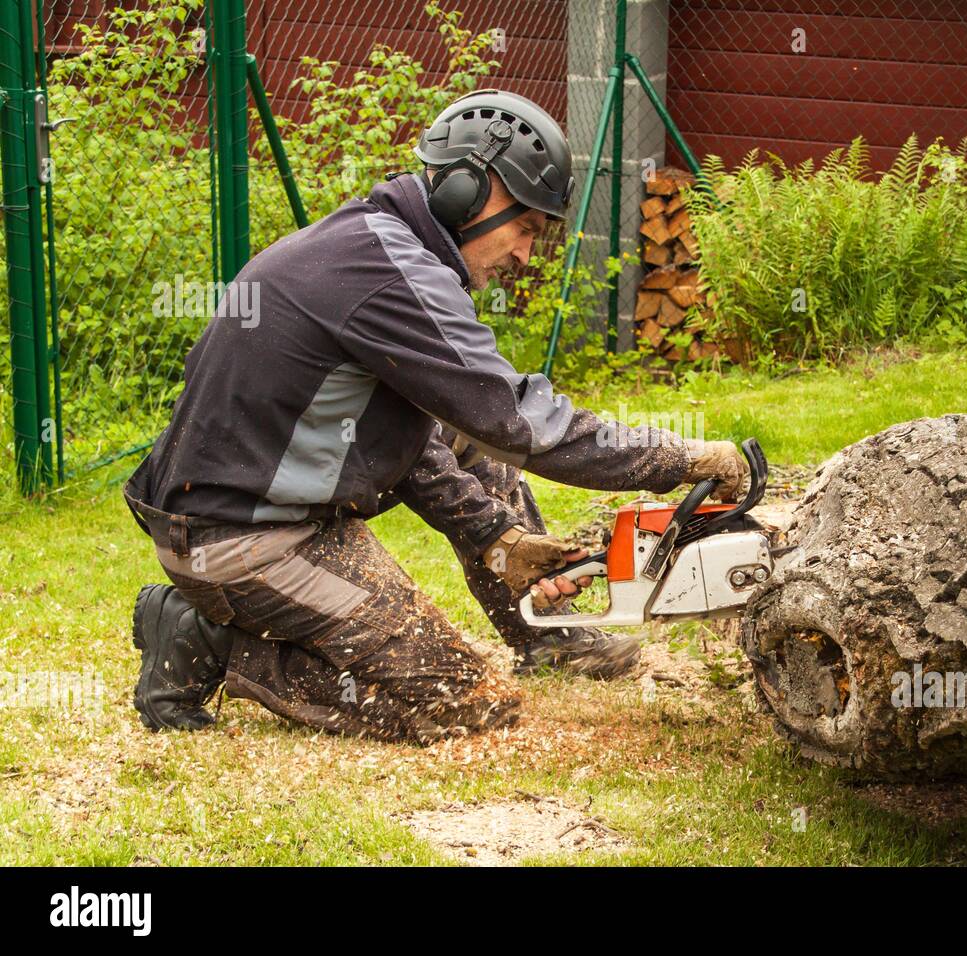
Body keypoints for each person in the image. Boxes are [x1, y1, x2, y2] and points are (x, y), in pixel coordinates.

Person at [123, 89, 748, 744]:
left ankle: (544, 630)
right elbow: (519, 420)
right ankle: (207, 642)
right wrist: (681, 458)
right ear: (466, 189)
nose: (525, 256)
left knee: (470, 435)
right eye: (526, 228)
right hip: (235, 539)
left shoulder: (386, 249)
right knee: (456, 702)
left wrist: (495, 537)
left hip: (272, 509)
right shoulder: (391, 272)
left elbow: (409, 439)